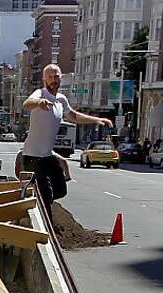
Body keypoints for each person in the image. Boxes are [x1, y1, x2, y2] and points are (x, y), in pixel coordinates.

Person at [21, 64, 113, 217]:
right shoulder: (40, 93)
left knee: (60, 190)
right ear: (44, 79)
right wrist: (39, 103)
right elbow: (27, 104)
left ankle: (33, 201)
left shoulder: (61, 100)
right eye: (50, 77)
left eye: (56, 76)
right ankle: (45, 232)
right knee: (45, 198)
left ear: (61, 78)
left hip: (47, 156)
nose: (53, 80)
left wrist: (97, 120)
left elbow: (74, 116)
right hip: (33, 157)